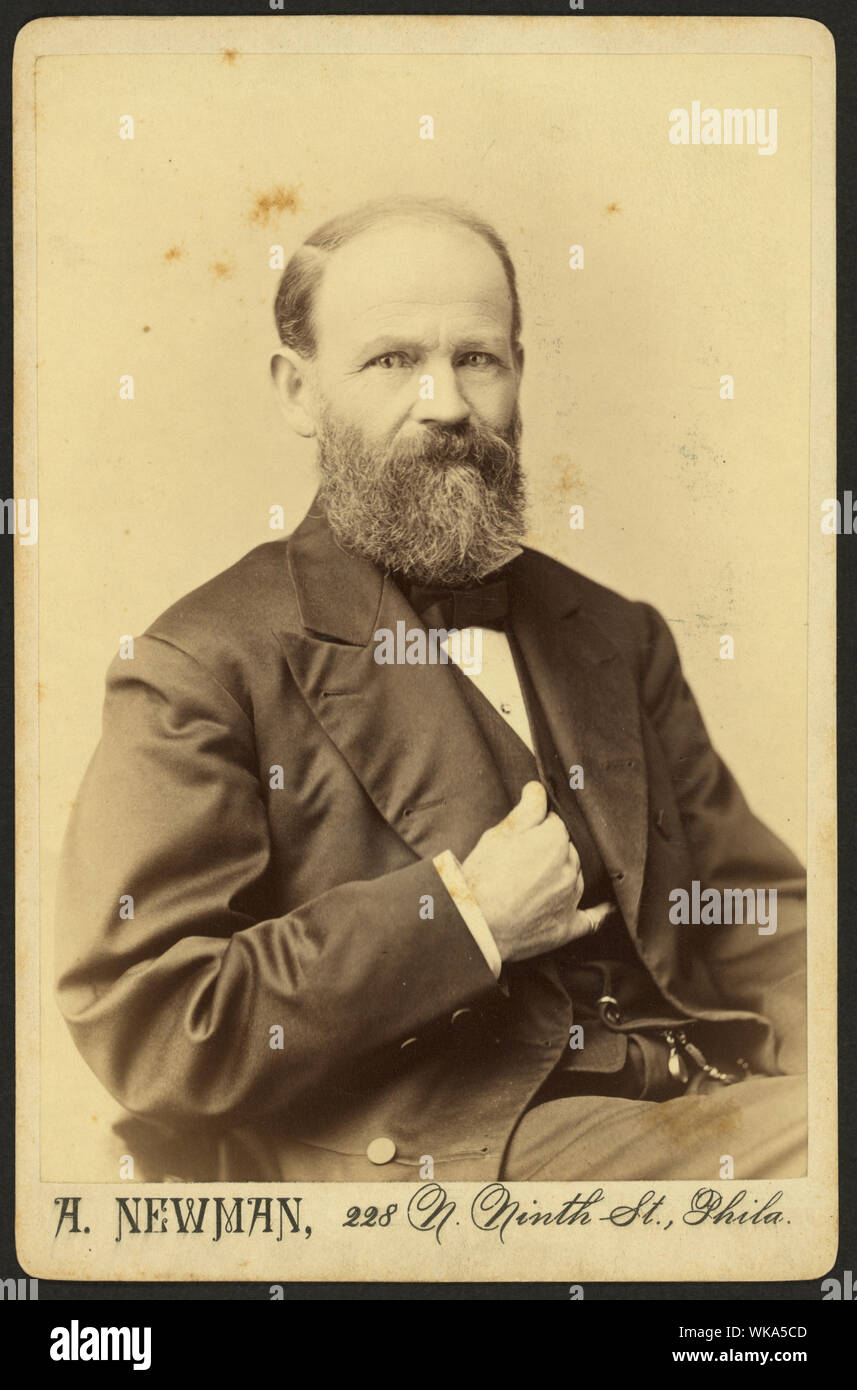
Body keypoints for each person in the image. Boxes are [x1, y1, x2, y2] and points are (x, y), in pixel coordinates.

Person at [56, 196, 807, 1183]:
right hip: (438, 1160)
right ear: (296, 391)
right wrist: (459, 920)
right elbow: (152, 1020)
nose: (446, 403)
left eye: (477, 359)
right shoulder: (201, 660)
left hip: (703, 1100)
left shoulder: (612, 631)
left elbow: (752, 914)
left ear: (517, 376)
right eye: (391, 360)